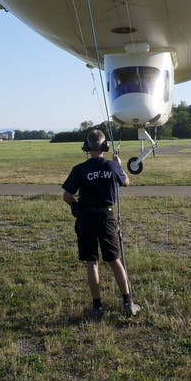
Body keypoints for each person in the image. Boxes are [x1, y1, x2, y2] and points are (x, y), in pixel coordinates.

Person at [62, 128, 141, 319]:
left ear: (86, 147)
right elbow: (126, 182)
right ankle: (128, 303)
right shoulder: (111, 167)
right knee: (114, 260)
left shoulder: (79, 169)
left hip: (86, 218)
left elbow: (66, 196)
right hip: (107, 217)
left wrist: (76, 203)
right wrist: (119, 166)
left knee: (92, 262)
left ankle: (97, 307)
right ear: (104, 146)